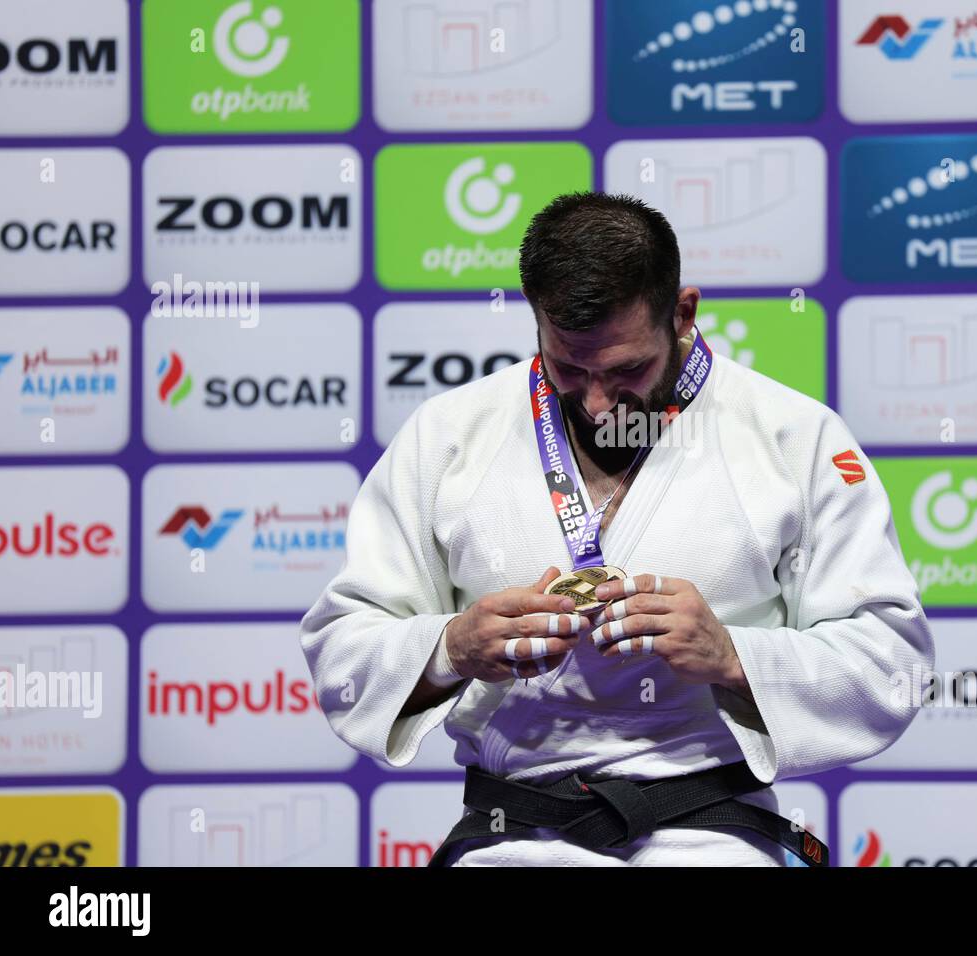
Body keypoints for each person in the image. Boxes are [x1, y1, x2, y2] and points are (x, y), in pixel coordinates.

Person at [299, 192, 934, 867]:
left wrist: (733, 656)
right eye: (569, 368)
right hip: (510, 837)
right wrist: (450, 647)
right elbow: (343, 647)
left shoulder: (793, 438)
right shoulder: (450, 435)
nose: (598, 401)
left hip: (712, 835)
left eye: (627, 369)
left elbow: (891, 663)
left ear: (682, 312)